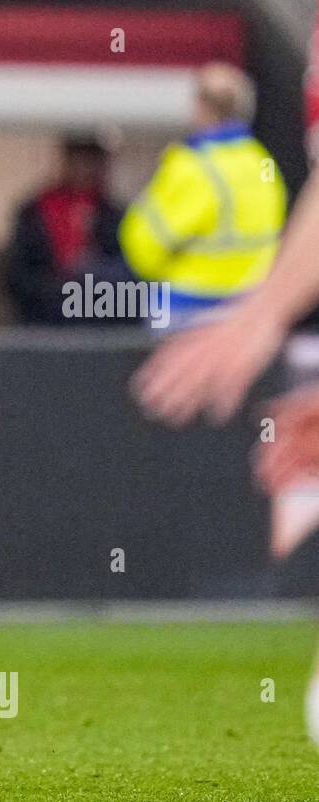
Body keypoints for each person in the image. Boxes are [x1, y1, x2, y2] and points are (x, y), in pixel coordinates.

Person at [132, 34, 319, 750]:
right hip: (236, 333)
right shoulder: (263, 160)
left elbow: (145, 238)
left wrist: (263, 312)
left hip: (196, 322)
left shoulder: (193, 163)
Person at [119, 63, 286, 334]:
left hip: (185, 307)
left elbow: (145, 244)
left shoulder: (192, 165)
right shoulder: (262, 163)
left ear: (201, 105)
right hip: (249, 306)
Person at [5, 136, 129, 326]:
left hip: (97, 320)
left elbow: (124, 273)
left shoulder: (113, 215)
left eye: (92, 162)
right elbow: (17, 274)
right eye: (80, 161)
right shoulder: (36, 211)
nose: (86, 170)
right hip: (43, 320)